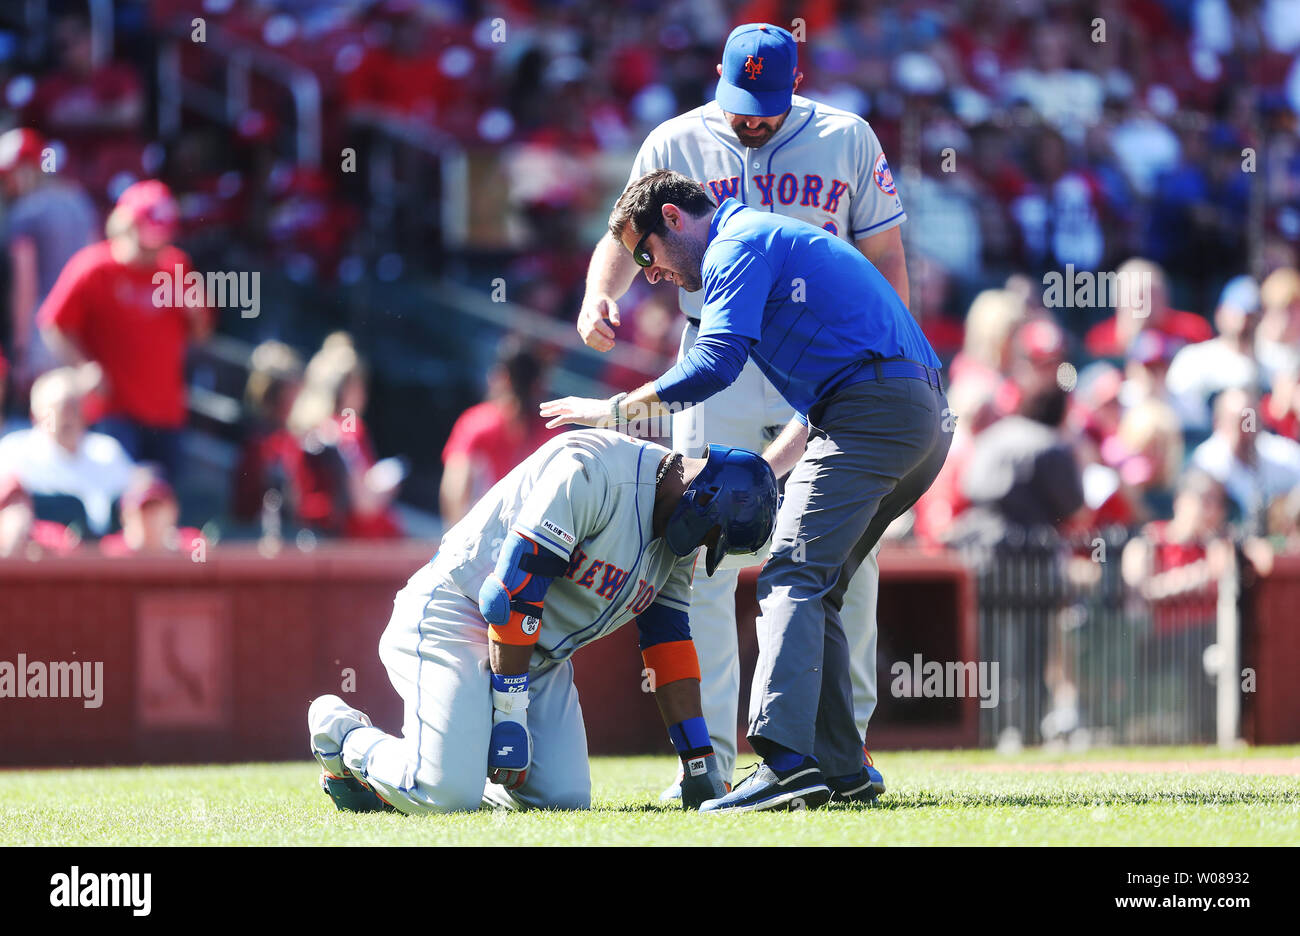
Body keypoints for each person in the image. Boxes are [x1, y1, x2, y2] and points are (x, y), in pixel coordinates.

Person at [541, 168, 949, 812]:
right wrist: (772, 464)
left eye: (646, 252)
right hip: (912, 414)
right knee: (821, 582)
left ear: (674, 218)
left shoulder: (737, 245)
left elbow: (714, 363)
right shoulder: (759, 239)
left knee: (788, 572)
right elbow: (831, 381)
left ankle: (788, 765)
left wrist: (615, 410)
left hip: (877, 409)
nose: (649, 273)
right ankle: (842, 768)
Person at [573, 22, 909, 799]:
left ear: (795, 85)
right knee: (700, 555)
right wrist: (600, 293)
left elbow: (887, 256)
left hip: (821, 360)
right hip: (715, 360)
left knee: (845, 557)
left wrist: (889, 346)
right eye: (737, 100)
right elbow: (625, 235)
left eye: (764, 103)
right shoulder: (677, 138)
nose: (748, 118)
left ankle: (841, 751)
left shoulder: (847, 136)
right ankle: (711, 761)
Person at [306, 429, 779, 814]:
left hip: (537, 654)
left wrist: (698, 760)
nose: (704, 546)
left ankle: (447, 774)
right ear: (706, 499)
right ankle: (343, 735)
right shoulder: (592, 468)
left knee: (562, 801)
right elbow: (512, 591)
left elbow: (668, 643)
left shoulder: (676, 534)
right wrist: (510, 713)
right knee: (444, 795)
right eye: (713, 535)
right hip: (459, 613)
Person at [37, 180, 211, 480]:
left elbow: (201, 334)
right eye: (144, 242)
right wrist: (83, 367)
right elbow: (53, 323)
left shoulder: (176, 267)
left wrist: (195, 312)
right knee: (119, 499)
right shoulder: (94, 268)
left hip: (167, 410)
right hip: (112, 411)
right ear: (124, 227)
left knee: (163, 503)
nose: (150, 251)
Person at [0, 127, 97, 397]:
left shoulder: (26, 212)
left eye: (8, 177)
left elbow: (25, 287)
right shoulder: (79, 200)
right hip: (81, 328)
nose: (7, 186)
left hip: (42, 331)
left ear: (26, 169)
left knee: (45, 414)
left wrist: (19, 350)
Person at [286, 333, 403, 539]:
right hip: (351, 544)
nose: (364, 395)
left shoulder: (301, 427)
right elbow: (364, 504)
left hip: (308, 536)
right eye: (359, 386)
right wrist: (388, 487)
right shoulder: (347, 430)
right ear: (346, 389)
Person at [0, 366, 135, 536]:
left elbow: (135, 505)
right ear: (36, 414)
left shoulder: (107, 451)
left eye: (74, 407)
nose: (68, 416)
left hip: (101, 558)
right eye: (59, 408)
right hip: (39, 557)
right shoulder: (13, 452)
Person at [440, 339, 556, 525]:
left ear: (502, 377)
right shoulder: (554, 432)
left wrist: (454, 537)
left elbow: (455, 488)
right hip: (530, 539)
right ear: (538, 383)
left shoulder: (478, 422)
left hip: (481, 533)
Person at [99, 474, 204, 557]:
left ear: (173, 511)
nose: (150, 518)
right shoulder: (111, 551)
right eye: (143, 510)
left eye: (156, 510)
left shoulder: (193, 546)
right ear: (125, 515)